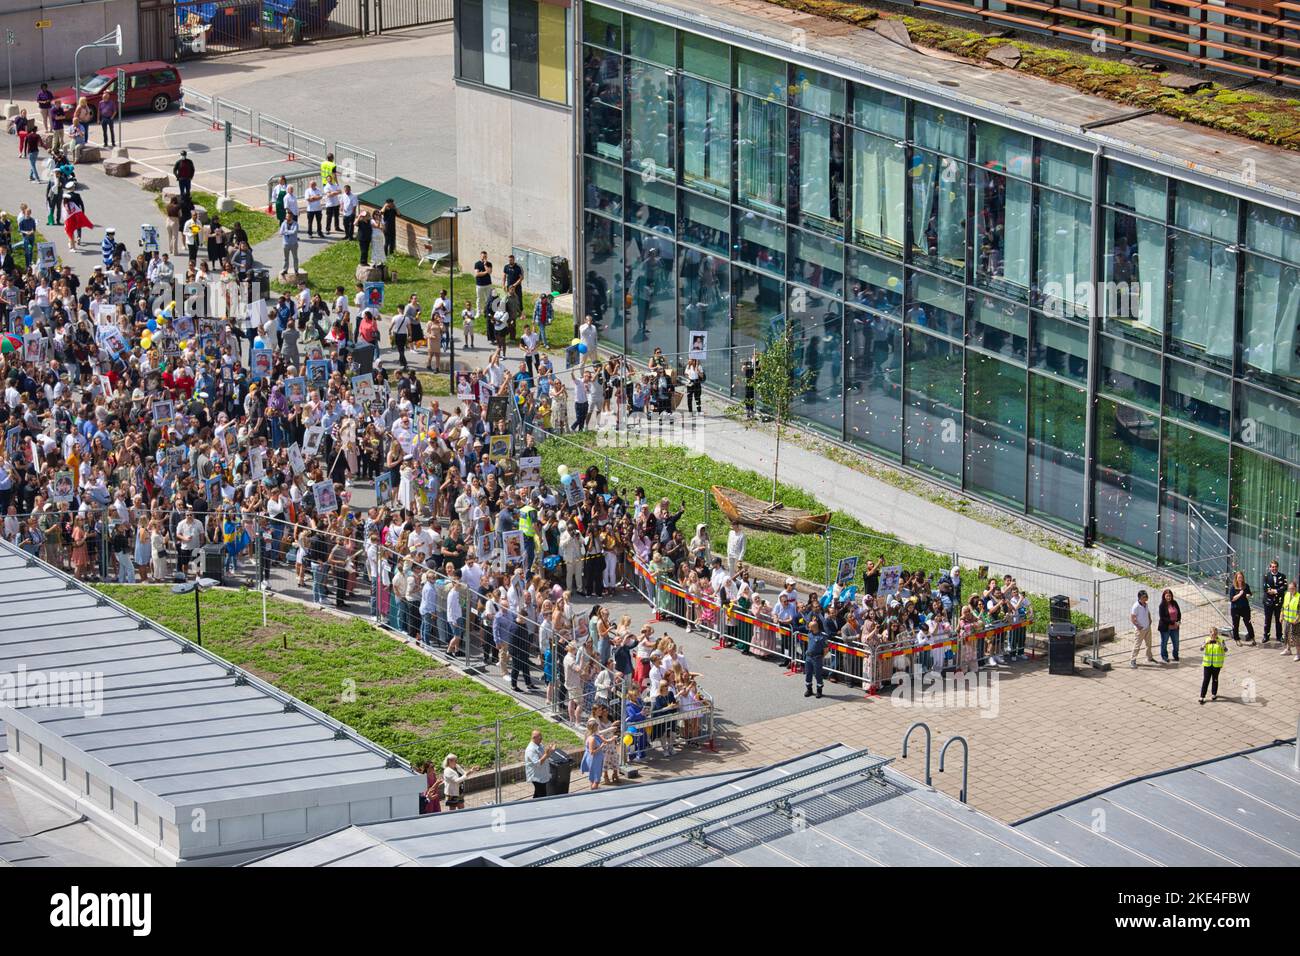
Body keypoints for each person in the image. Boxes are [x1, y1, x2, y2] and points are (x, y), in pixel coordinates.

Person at [1129, 588, 1157, 668]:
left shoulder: (1145, 604)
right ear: (1140, 598)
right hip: (1140, 630)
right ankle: (1132, 660)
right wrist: (1138, 626)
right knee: (1137, 645)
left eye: (1146, 597)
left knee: (1149, 644)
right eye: (1144, 597)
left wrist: (1150, 619)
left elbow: (1147, 612)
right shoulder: (1136, 606)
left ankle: (1149, 657)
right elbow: (1132, 618)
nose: (1146, 598)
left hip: (1147, 627)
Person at [524, 729, 555, 799]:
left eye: (541, 736)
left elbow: (545, 756)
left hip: (542, 775)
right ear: (534, 738)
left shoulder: (540, 745)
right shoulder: (531, 749)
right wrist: (546, 754)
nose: (541, 739)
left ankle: (534, 806)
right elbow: (538, 763)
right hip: (537, 777)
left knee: (538, 794)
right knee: (542, 795)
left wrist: (550, 751)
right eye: (540, 737)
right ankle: (541, 808)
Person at [1199, 628, 1227, 704]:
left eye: (1215, 634)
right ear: (1209, 634)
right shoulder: (1206, 639)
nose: (1213, 636)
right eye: (1212, 634)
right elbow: (1201, 649)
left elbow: (1226, 650)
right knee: (1206, 680)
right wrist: (1205, 644)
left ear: (1217, 634)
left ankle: (1214, 694)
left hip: (1217, 665)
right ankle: (1202, 697)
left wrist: (1221, 646)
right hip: (1207, 664)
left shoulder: (1221, 640)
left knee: (1215, 679)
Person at [1261, 559, 1286, 645]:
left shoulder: (1283, 576)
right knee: (1267, 619)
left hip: (1278, 602)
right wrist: (1274, 590)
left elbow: (1284, 587)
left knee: (1279, 620)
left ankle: (1279, 636)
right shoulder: (1266, 576)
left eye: (1275, 567)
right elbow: (1265, 588)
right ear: (1270, 568)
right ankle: (1266, 636)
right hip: (1268, 602)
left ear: (1277, 567)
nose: (1274, 568)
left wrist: (1275, 591)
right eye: (1272, 567)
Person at [1229, 570, 1255, 646]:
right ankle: (1237, 639)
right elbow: (1232, 599)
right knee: (1236, 624)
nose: (1240, 579)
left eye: (1241, 577)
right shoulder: (1233, 587)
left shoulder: (1246, 586)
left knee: (1248, 623)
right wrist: (1240, 594)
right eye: (1239, 577)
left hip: (1245, 608)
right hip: (1235, 608)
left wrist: (1248, 595)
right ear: (1236, 578)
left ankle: (1252, 638)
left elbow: (1250, 594)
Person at [1156, 588, 1181, 663]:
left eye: (1170, 596)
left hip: (1175, 627)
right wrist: (1173, 622)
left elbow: (1179, 613)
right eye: (1167, 596)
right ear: (1164, 596)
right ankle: (1164, 656)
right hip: (1165, 628)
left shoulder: (1175, 603)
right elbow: (1162, 617)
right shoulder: (1162, 605)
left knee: (1176, 642)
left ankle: (1175, 655)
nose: (1168, 597)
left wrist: (1178, 621)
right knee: (1164, 642)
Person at [1281, 580, 1300, 662]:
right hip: (1287, 620)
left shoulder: (1298, 597)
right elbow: (1283, 606)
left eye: (1292, 588)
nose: (1290, 590)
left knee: (1296, 638)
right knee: (1286, 635)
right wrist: (1281, 615)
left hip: (1295, 622)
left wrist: (1297, 619)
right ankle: (1288, 650)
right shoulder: (1287, 594)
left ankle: (1298, 654)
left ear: (1295, 588)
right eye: (1289, 588)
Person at [472, 250, 493, 317]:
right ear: (480, 256)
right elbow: (477, 274)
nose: (484, 257)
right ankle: (478, 312)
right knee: (479, 299)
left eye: (485, 256)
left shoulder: (489, 264)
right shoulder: (477, 264)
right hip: (479, 285)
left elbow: (490, 272)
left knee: (488, 299)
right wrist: (486, 272)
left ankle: (487, 312)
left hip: (488, 284)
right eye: (483, 256)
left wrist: (485, 265)